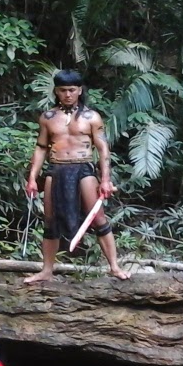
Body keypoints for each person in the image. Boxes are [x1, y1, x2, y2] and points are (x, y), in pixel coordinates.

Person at [24, 69, 129, 283]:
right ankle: (46, 270)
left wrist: (106, 179)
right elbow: (41, 148)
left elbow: (103, 149)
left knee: (98, 218)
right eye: (63, 90)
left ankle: (114, 267)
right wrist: (33, 177)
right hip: (57, 168)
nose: (68, 95)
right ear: (56, 91)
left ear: (80, 90)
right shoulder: (48, 118)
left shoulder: (92, 117)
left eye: (72, 90)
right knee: (50, 220)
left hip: (83, 169)